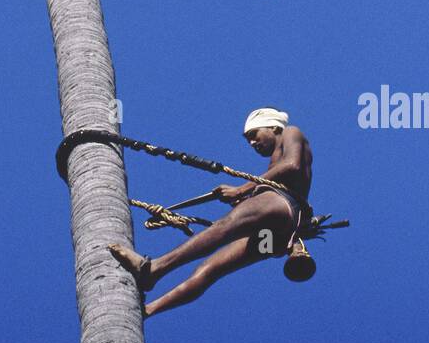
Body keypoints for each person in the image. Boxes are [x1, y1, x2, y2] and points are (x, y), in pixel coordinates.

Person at [109, 108, 313, 317]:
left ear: (272, 126)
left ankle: (155, 268)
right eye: (248, 141)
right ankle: (148, 310)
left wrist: (241, 189)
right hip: (272, 236)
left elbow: (292, 165)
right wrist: (244, 199)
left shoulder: (291, 132)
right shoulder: (274, 160)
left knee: (224, 227)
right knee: (211, 268)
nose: (252, 143)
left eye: (254, 135)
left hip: (280, 205)